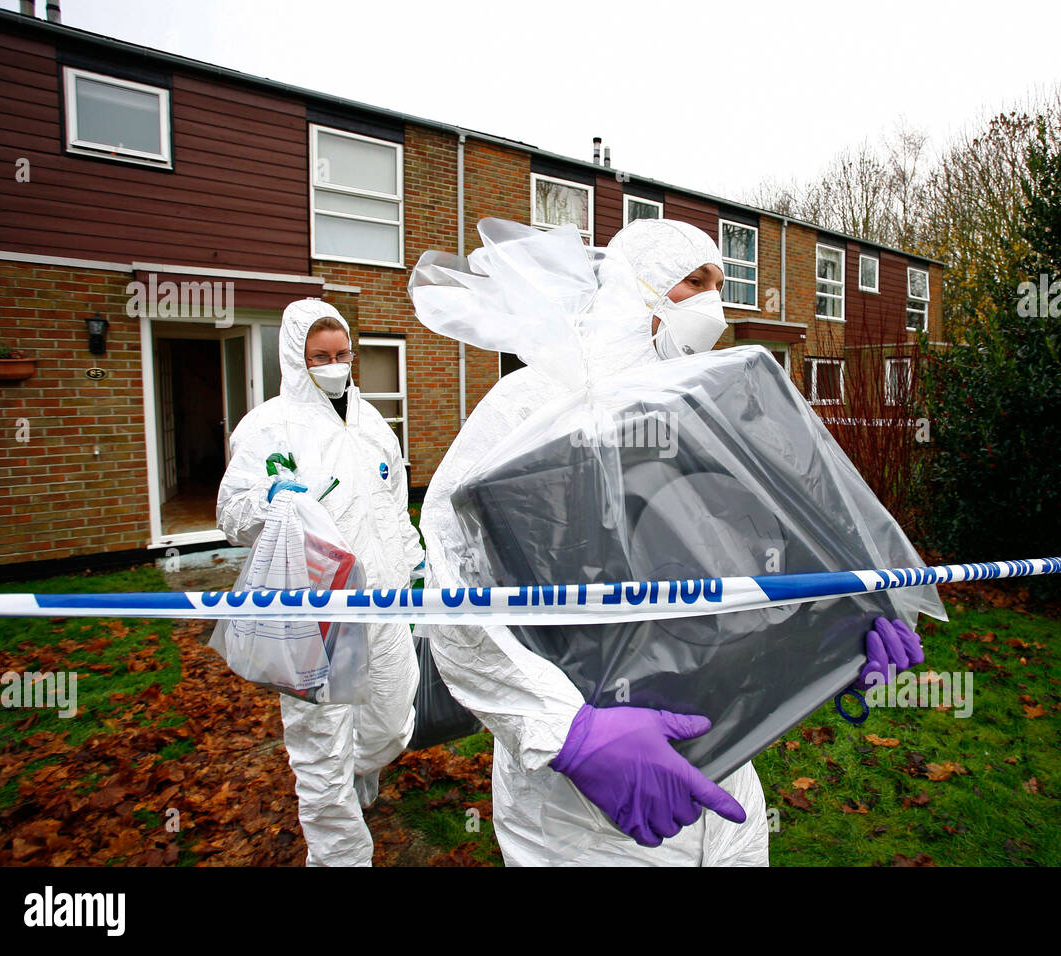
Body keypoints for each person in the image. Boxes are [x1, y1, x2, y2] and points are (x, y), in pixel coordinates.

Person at [418, 219, 771, 866]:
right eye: (694, 281)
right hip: (582, 812)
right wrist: (570, 733)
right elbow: (457, 594)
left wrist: (828, 630)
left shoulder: (703, 406)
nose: (712, 303)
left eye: (719, 284)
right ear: (637, 290)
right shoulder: (534, 403)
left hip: (723, 767)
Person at [216, 298, 422, 867]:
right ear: (295, 358)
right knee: (319, 743)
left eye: (341, 354)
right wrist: (267, 499)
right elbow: (231, 514)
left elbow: (394, 502)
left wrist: (413, 558)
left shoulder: (372, 422)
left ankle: (357, 777)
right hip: (314, 612)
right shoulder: (267, 426)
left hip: (383, 601)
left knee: (392, 717)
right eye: (318, 356)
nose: (333, 365)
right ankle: (337, 853)